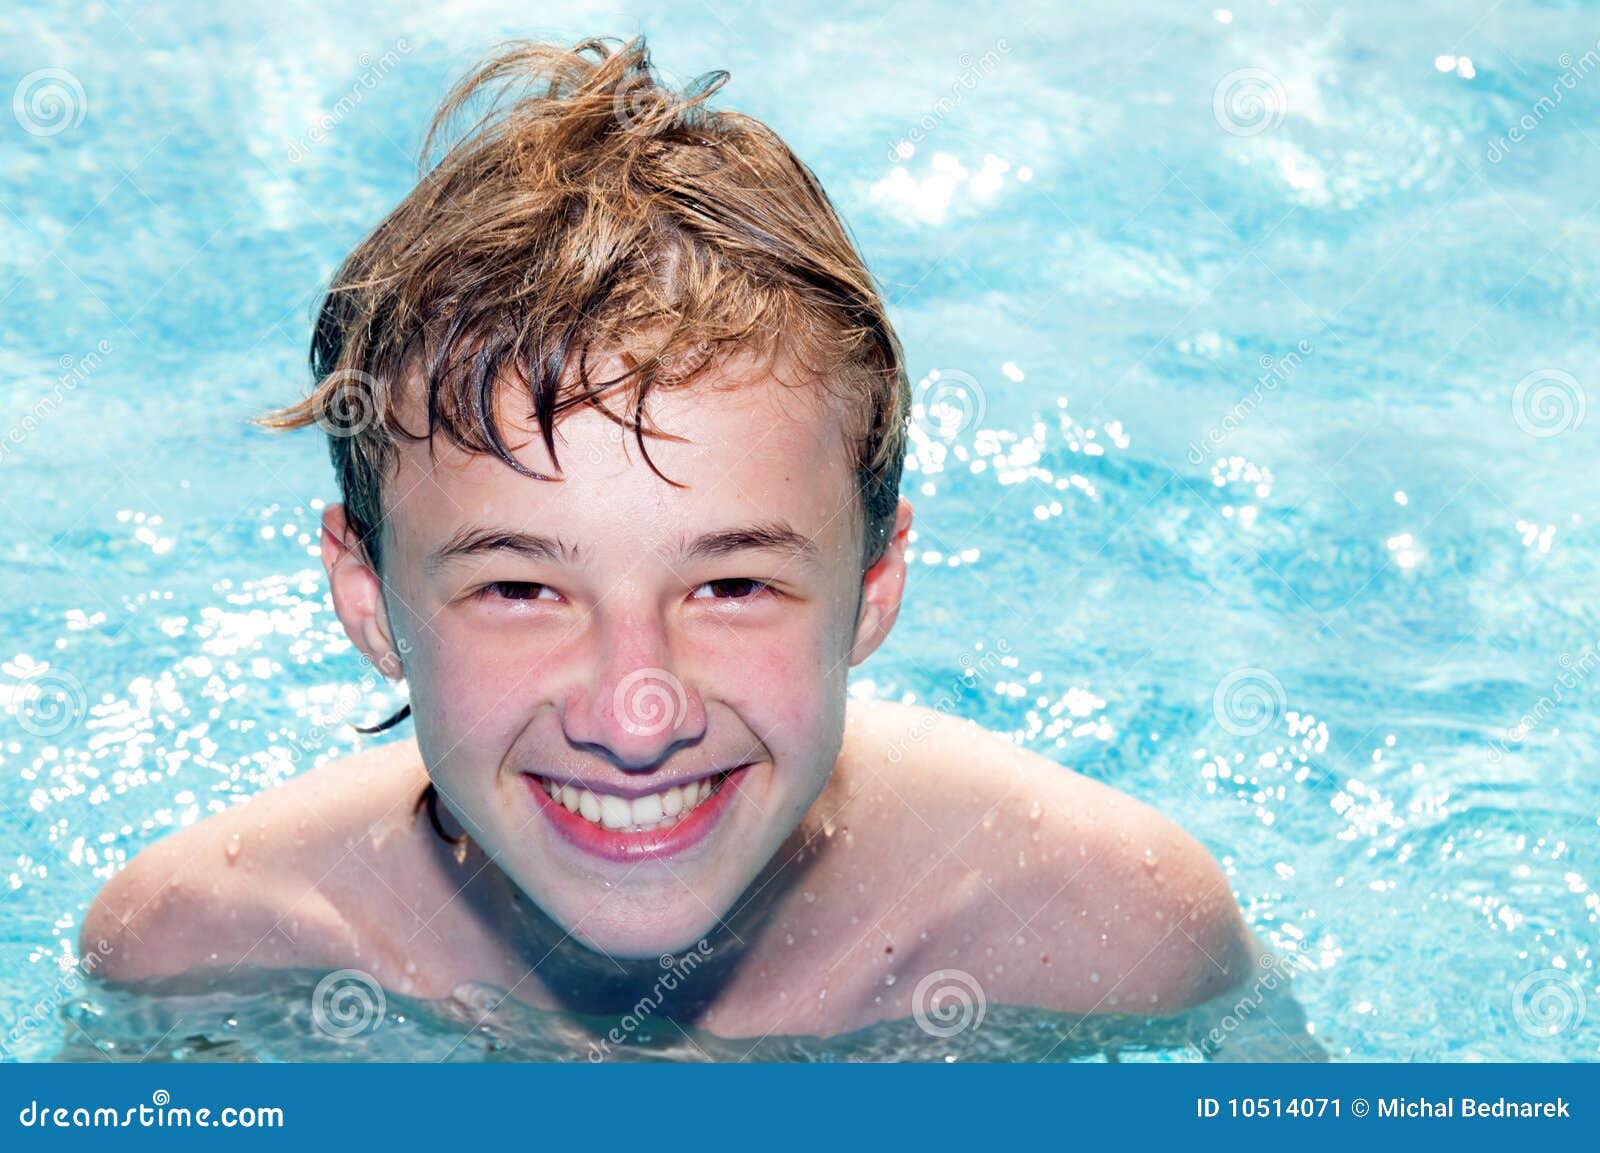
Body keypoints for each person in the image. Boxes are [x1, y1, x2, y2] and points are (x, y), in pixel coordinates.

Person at [81, 36, 1255, 1042]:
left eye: (733, 583)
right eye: (520, 590)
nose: (636, 714)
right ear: (369, 598)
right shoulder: (209, 953)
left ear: (876, 581)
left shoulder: (1101, 935)